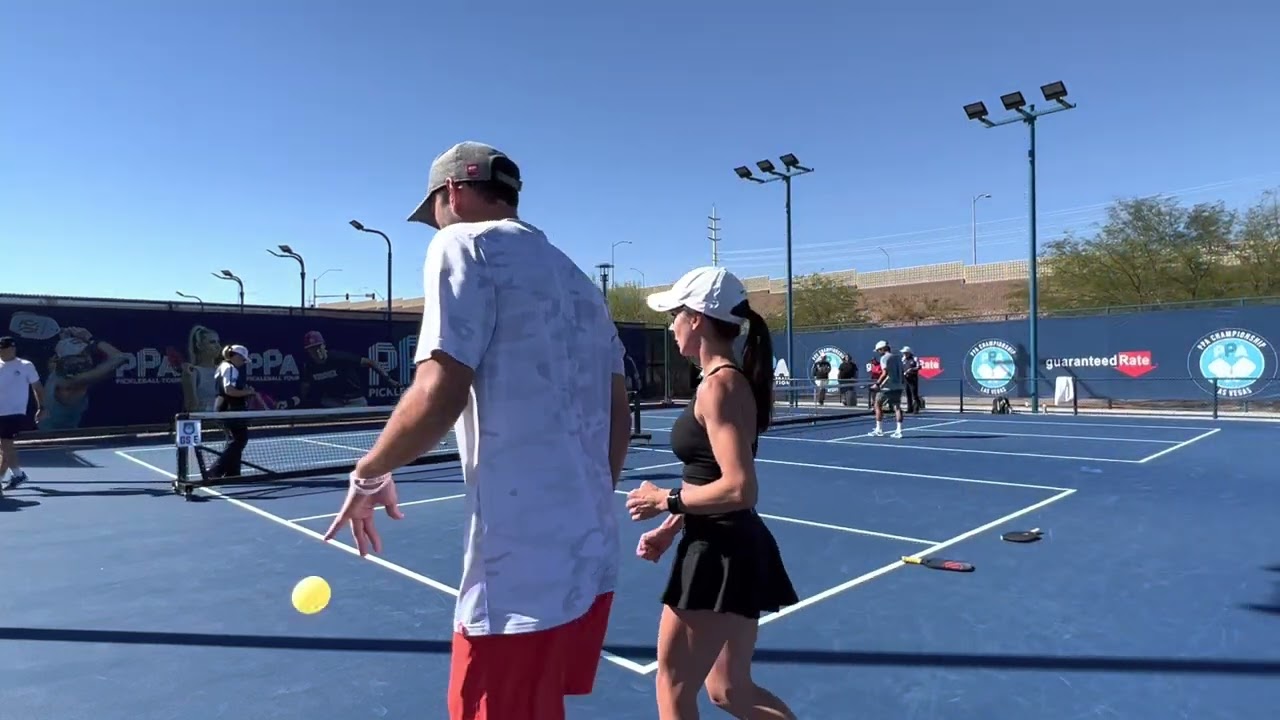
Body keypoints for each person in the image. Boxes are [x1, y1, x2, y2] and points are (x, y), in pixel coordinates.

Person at [321, 141, 631, 720]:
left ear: (453, 193)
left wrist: (369, 473)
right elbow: (621, 417)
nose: (432, 223)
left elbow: (439, 393)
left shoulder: (460, 244)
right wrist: (584, 501)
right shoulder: (583, 284)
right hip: (589, 556)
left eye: (432, 208)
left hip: (516, 576)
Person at [624, 266, 798, 720]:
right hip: (733, 547)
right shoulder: (722, 382)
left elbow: (740, 487)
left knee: (673, 687)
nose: (672, 326)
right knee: (728, 690)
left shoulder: (721, 385)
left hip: (721, 553)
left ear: (697, 318)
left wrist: (666, 500)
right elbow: (707, 474)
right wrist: (670, 527)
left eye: (676, 315)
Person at [0, 336, 45, 493]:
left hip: (14, 412)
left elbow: (37, 388)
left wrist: (42, 407)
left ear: (12, 349)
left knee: (5, 444)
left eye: (4, 348)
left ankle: (18, 474)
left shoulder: (26, 365)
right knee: (5, 447)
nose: (1, 352)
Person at [207, 344, 254, 479]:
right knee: (239, 440)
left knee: (235, 440)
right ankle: (215, 470)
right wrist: (248, 392)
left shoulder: (224, 367)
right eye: (243, 359)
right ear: (236, 356)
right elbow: (229, 391)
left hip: (226, 407)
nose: (243, 362)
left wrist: (244, 390)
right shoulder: (230, 368)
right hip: (230, 408)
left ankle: (233, 472)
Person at [867, 340, 905, 438]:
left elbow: (885, 373)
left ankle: (879, 429)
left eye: (879, 350)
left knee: (877, 404)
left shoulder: (884, 358)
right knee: (897, 407)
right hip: (898, 386)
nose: (879, 352)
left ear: (883, 349)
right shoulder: (898, 358)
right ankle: (899, 431)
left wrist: (877, 384)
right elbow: (902, 372)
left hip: (887, 387)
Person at [901, 345, 922, 413]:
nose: (904, 354)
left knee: (914, 394)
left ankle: (916, 408)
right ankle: (909, 408)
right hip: (906, 379)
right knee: (908, 394)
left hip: (913, 379)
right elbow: (901, 367)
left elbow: (919, 367)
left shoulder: (914, 359)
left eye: (906, 353)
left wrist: (911, 369)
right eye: (904, 353)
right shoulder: (903, 359)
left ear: (909, 352)